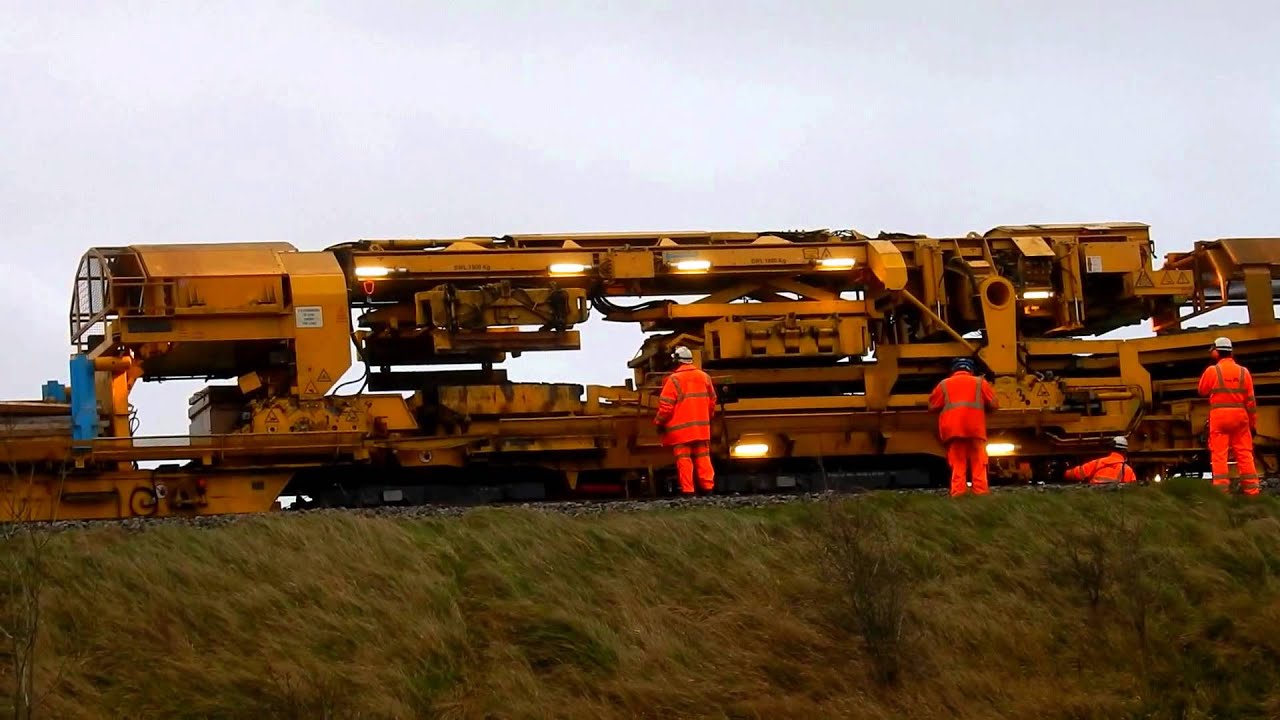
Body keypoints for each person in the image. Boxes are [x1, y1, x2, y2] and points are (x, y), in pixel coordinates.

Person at [1198, 336, 1259, 496]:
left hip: (1219, 419)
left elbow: (1202, 390)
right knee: (1245, 455)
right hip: (1240, 417)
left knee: (1219, 456)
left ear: (1216, 352)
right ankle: (1252, 492)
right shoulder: (1244, 372)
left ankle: (1222, 492)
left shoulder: (1212, 371)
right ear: (1231, 352)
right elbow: (1251, 403)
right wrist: (1252, 425)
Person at [928, 357, 999, 496]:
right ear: (971, 370)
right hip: (975, 430)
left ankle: (958, 495)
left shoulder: (944, 384)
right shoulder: (980, 383)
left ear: (953, 370)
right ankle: (981, 494)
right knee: (979, 464)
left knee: (958, 465)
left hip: (954, 430)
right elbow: (994, 405)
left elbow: (932, 406)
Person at [654, 345, 718, 496]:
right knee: (704, 458)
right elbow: (712, 401)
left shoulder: (674, 380)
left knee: (684, 460)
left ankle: (688, 491)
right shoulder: (704, 377)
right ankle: (708, 488)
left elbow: (666, 407)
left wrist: (659, 422)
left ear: (676, 361)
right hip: (702, 429)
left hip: (680, 432)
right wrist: (706, 418)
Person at [1063, 436, 1137, 484]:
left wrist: (1064, 473)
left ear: (1111, 449)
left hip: (1095, 497)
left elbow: (1078, 473)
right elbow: (1133, 489)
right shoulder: (1127, 470)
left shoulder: (1097, 463)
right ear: (1124, 451)